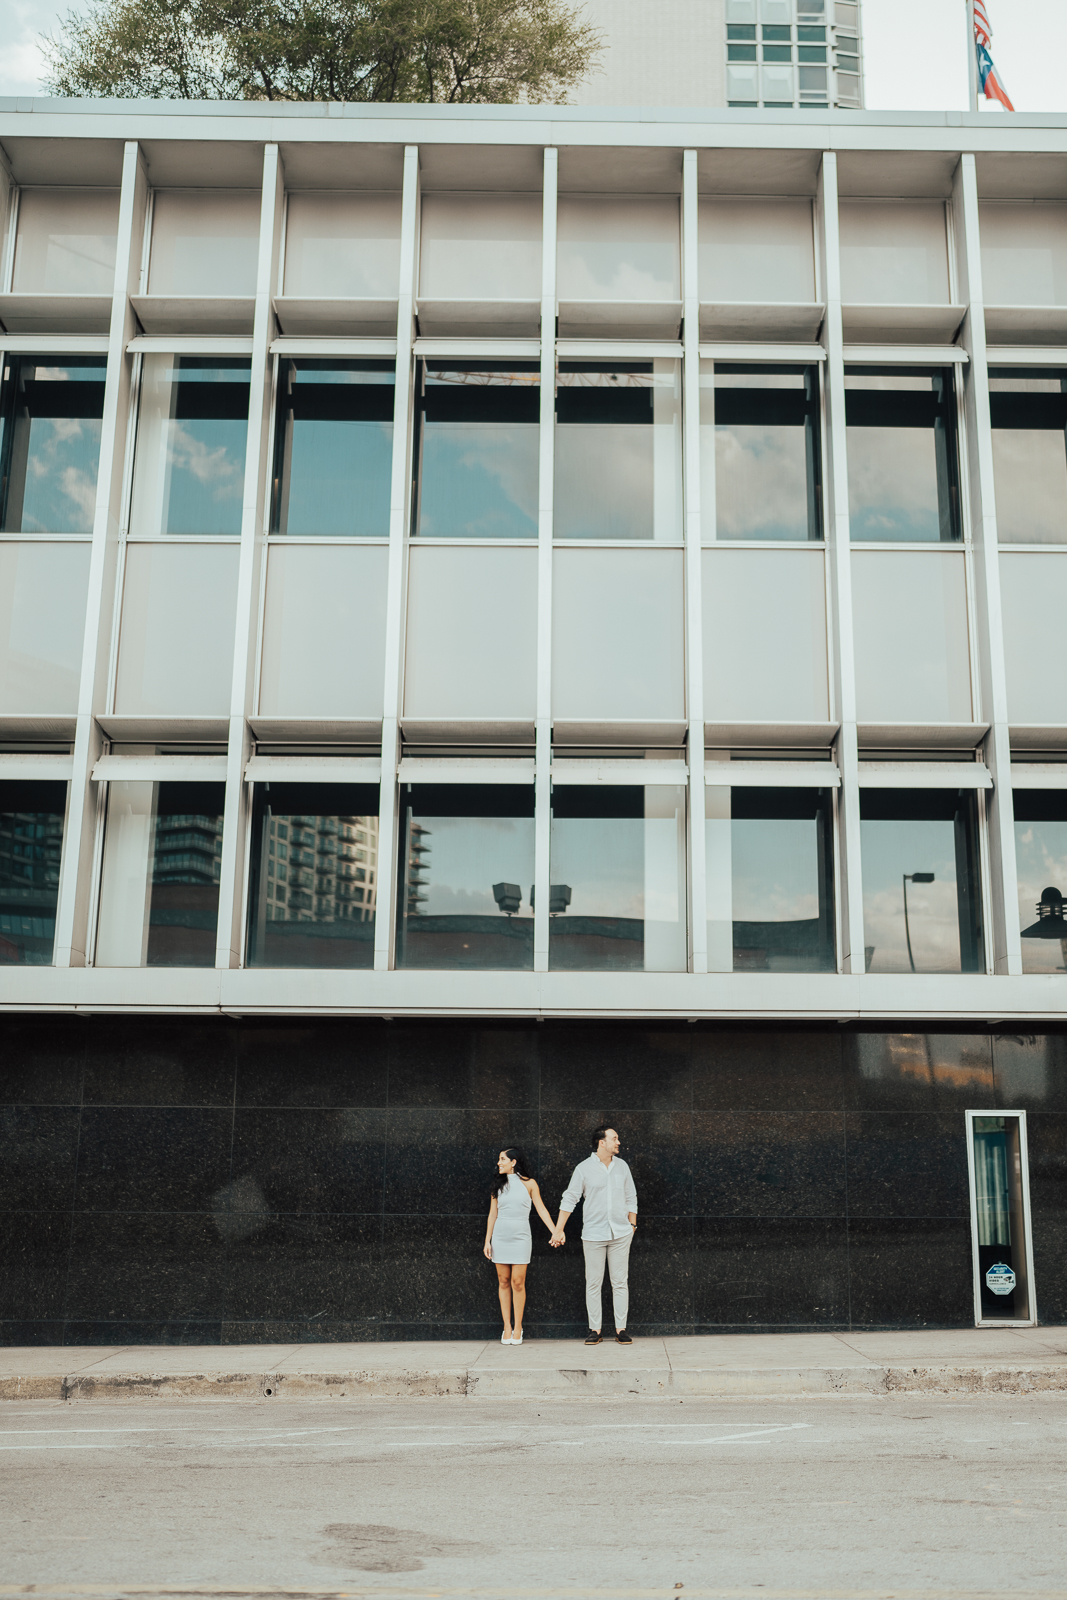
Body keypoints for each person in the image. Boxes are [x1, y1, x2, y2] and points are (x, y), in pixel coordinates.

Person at [551, 1126, 637, 1345]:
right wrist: (558, 1228)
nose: (618, 1142)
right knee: (594, 1283)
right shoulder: (583, 1169)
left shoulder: (622, 1166)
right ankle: (595, 1330)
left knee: (619, 1282)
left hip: (620, 1232)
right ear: (602, 1142)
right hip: (593, 1234)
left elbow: (631, 1196)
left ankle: (621, 1329)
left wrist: (632, 1224)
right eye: (614, 1139)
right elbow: (570, 1198)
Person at [483, 1147, 558, 1345]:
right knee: (503, 1280)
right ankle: (507, 1326)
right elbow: (493, 1214)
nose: (499, 1163)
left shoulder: (530, 1184)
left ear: (513, 1162)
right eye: (499, 1160)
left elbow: (541, 1209)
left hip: (521, 1238)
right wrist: (487, 1241)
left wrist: (555, 1231)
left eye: (502, 1159)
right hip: (500, 1237)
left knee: (518, 1282)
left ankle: (518, 1327)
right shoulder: (497, 1186)